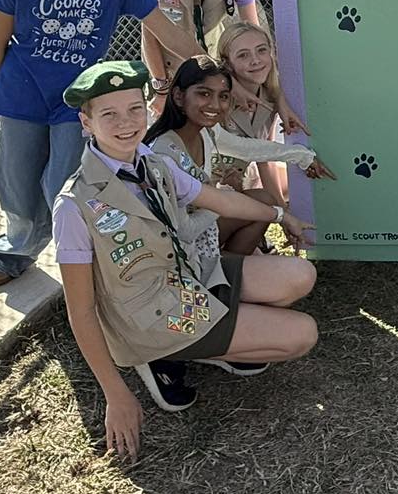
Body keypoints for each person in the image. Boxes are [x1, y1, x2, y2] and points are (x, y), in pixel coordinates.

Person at [52, 60, 319, 462]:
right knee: (301, 334)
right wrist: (115, 394)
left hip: (189, 276)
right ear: (86, 122)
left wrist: (282, 216)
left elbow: (221, 201)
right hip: (157, 314)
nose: (126, 123)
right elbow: (81, 310)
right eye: (109, 114)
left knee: (299, 276)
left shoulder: (152, 164)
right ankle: (165, 353)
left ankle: (209, 340)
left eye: (135, 109)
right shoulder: (74, 205)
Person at [0, 0, 204, 290]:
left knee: (63, 181)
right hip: (21, 92)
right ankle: (15, 252)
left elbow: (164, 29)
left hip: (78, 98)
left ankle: (83, 258)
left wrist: (208, 64)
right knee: (17, 182)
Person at [144, 55, 334, 259]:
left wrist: (303, 157)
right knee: (295, 269)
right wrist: (222, 196)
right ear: (178, 96)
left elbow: (247, 149)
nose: (215, 105)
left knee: (264, 199)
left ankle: (229, 268)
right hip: (175, 250)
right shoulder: (163, 152)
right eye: (204, 94)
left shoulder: (206, 131)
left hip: (202, 229)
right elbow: (185, 232)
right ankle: (220, 270)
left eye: (223, 96)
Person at [218, 21, 307, 205]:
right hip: (208, 188)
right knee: (262, 202)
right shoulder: (217, 98)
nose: (256, 60)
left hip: (240, 182)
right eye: (243, 55)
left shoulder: (270, 97)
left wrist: (282, 208)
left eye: (261, 50)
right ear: (227, 64)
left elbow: (264, 157)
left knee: (275, 196)